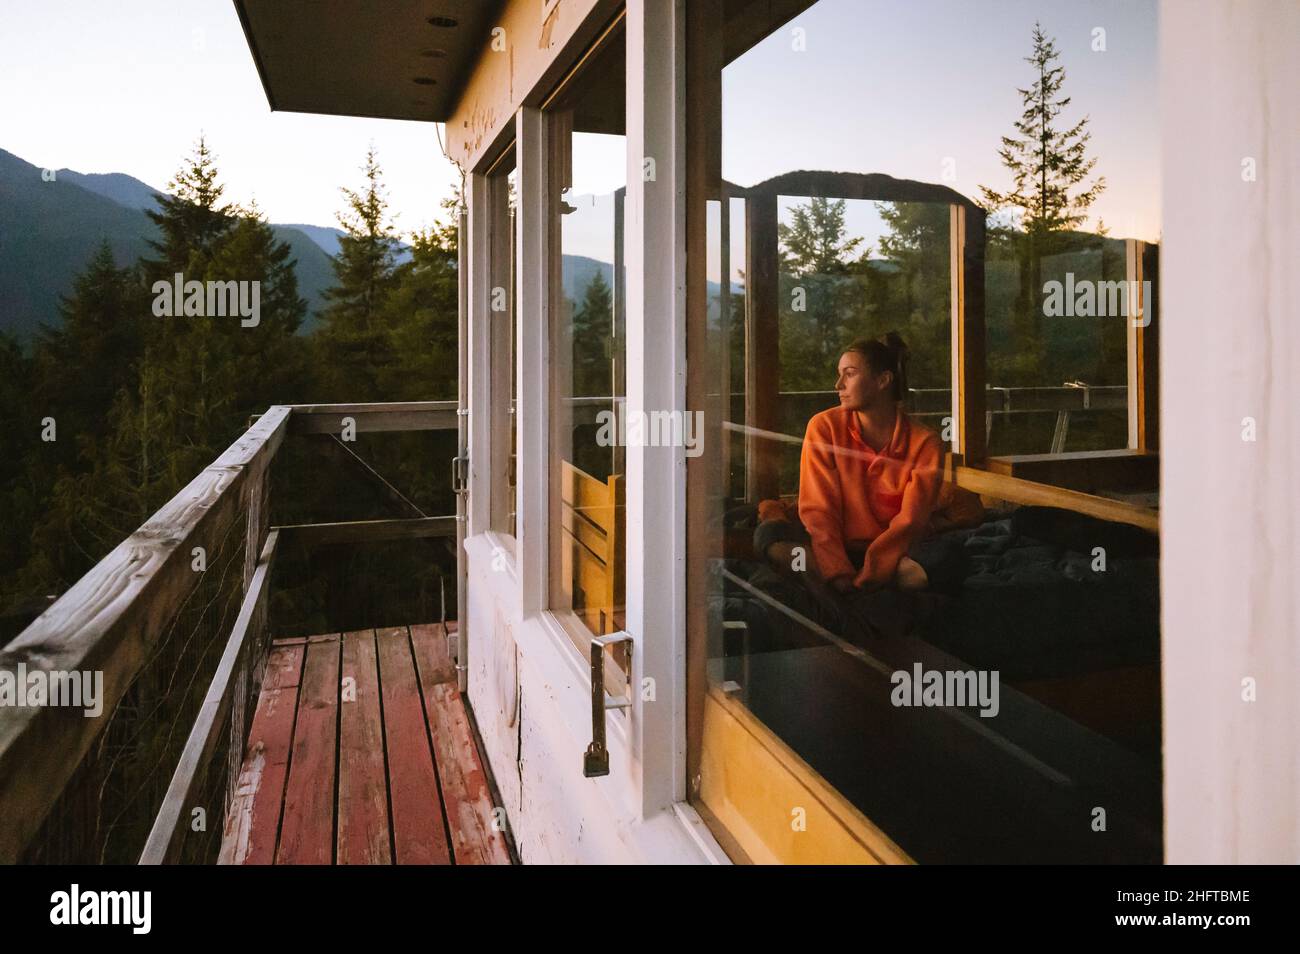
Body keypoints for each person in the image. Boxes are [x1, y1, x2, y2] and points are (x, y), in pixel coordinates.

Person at [758, 332, 943, 593]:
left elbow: (910, 522)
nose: (838, 384)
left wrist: (870, 574)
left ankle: (847, 603)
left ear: (883, 380)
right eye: (839, 373)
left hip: (892, 553)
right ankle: (846, 598)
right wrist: (838, 574)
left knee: (931, 566)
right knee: (771, 539)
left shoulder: (925, 443)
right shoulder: (824, 427)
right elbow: (818, 510)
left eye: (850, 373)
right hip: (832, 547)